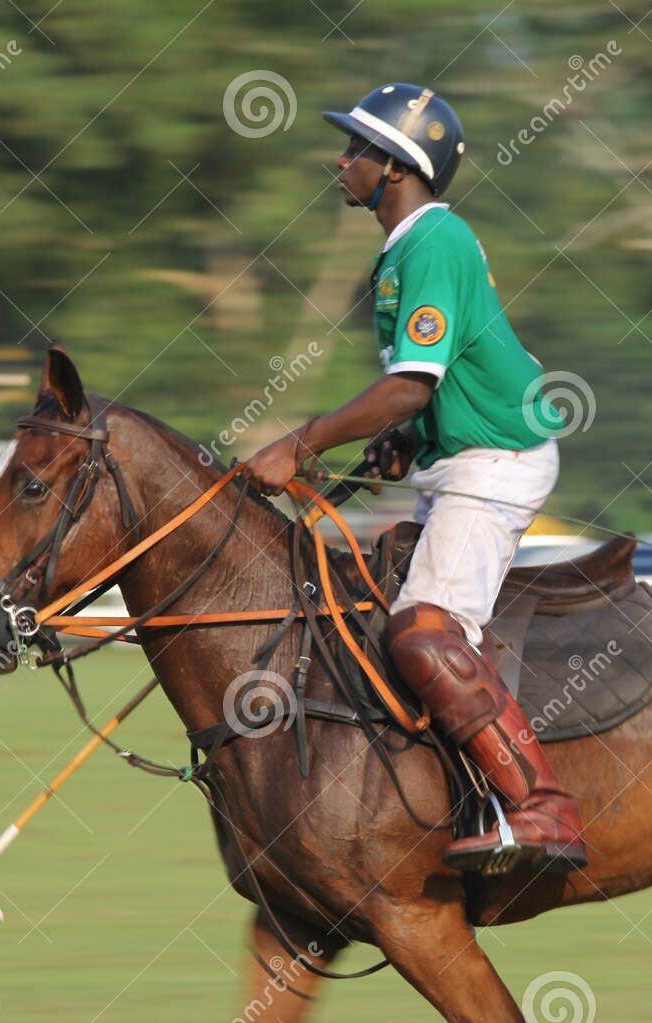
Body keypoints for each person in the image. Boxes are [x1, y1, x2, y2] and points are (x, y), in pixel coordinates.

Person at [243, 84, 586, 874]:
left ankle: (544, 811)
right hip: (459, 452)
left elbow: (413, 380)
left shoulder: (434, 243)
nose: (342, 160)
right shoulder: (406, 247)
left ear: (394, 167)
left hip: (499, 454)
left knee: (424, 632)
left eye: (357, 149)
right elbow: (433, 385)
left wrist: (300, 443)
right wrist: (408, 441)